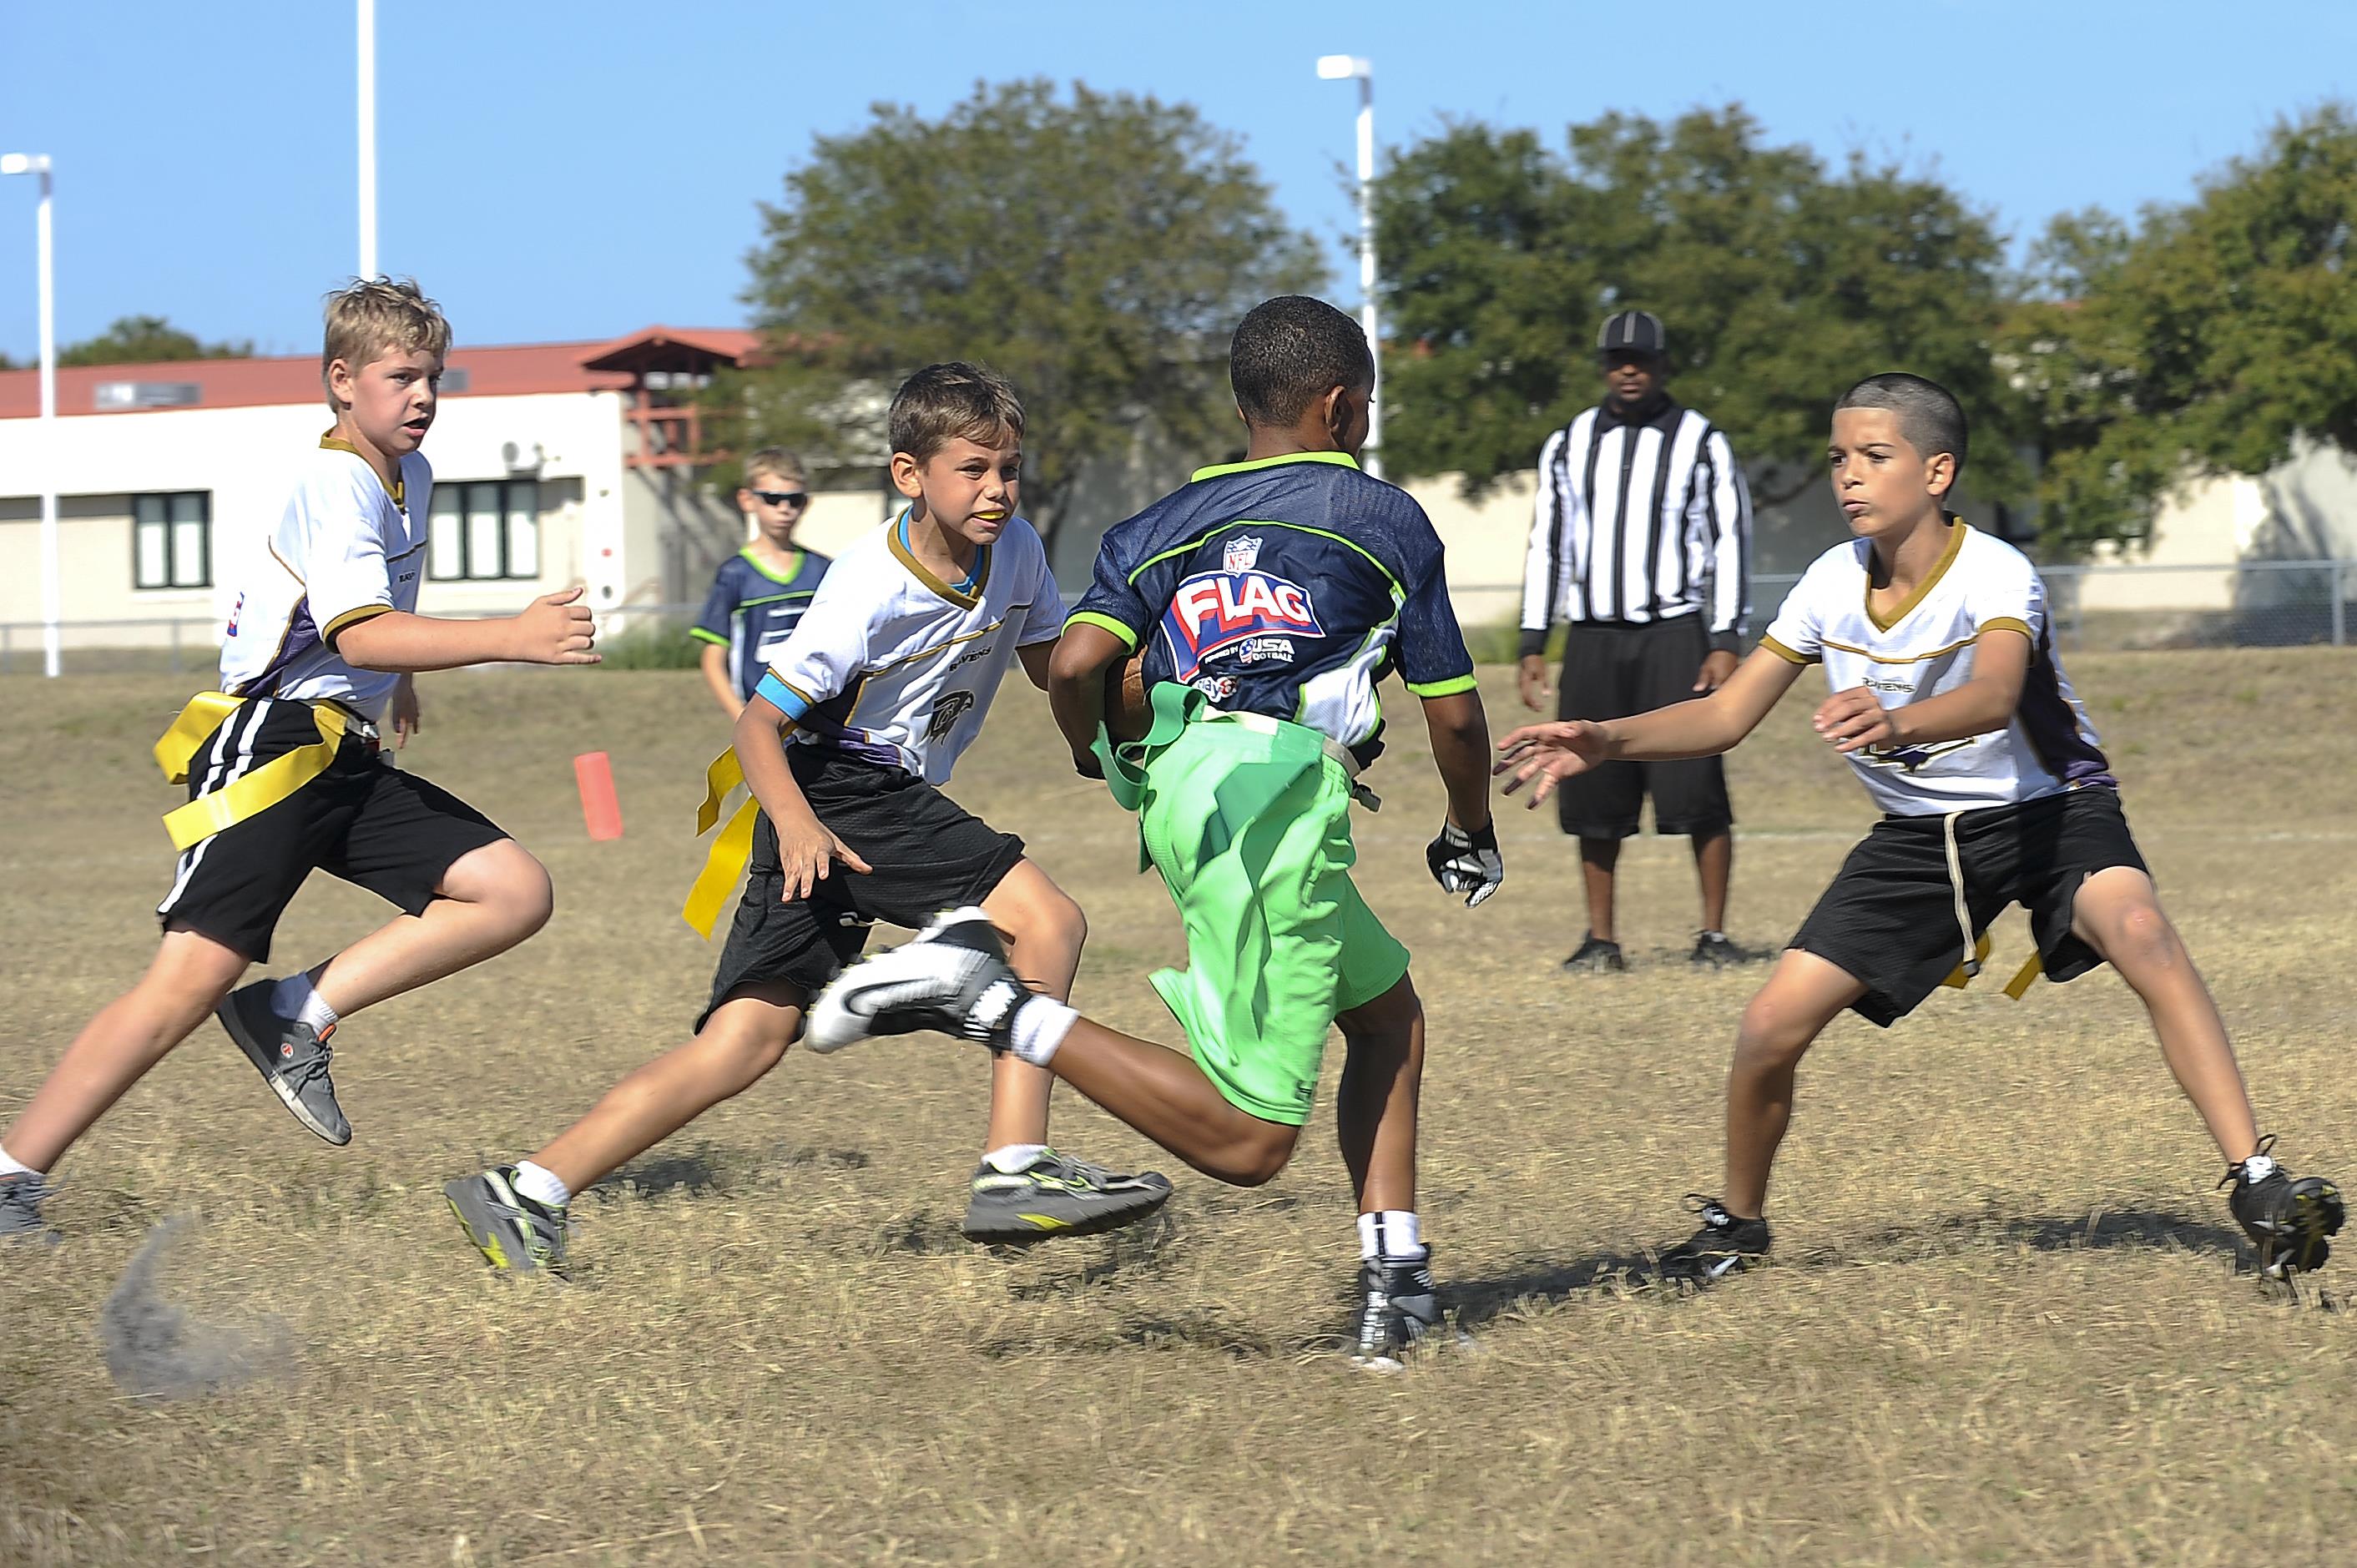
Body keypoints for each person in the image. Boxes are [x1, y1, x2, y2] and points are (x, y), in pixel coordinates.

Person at [1497, 371, 2344, 1282]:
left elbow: (1993, 693)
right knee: (1767, 1027)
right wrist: (1605, 738)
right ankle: (1736, 1228)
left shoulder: (1995, 571)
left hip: (2052, 810)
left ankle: (2257, 1182)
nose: (1848, 477)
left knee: (2140, 929)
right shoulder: (1828, 582)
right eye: (1836, 459)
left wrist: (1898, 721)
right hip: (1919, 837)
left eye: (1873, 456)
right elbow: (1727, 714)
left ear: (1936, 471)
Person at [800, 297, 1503, 1369]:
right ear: (1343, 406)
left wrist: (1102, 757)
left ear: (1239, 407)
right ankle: (983, 996)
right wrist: (1470, 828)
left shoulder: (1159, 521)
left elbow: (1079, 667)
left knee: (1388, 1017)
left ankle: (1396, 1283)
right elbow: (1452, 711)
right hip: (1274, 798)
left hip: (1186, 787)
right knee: (1252, 1138)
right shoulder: (1380, 514)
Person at [443, 362, 1169, 1276]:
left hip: (845, 804)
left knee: (746, 1039)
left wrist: (1154, 684)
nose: (995, 489)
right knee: (1051, 920)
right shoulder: (867, 583)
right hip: (839, 789)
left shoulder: (1017, 549)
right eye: (973, 469)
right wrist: (794, 824)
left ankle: (529, 1189)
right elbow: (759, 722)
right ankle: (1015, 1166)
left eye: (1009, 468)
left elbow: (1053, 669)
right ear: (910, 475)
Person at [0, 278, 600, 1240]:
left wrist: (394, 683)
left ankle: (293, 1012)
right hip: (269, 748)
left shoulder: (415, 474)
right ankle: (9, 1177)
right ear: (340, 381)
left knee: (510, 890)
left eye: (434, 377)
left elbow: (363, 628)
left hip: (343, 753)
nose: (423, 395)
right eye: (401, 376)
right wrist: (512, 635)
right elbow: (360, 632)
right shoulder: (335, 479)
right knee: (186, 983)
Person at [1517, 310, 1754, 971]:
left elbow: (1729, 539)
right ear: (1603, 365)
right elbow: (1549, 543)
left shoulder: (1702, 441)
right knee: (1589, 786)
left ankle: (1712, 934)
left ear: (1663, 365)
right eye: (1618, 358)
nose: (1630, 369)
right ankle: (1601, 939)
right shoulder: (1570, 443)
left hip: (1675, 632)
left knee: (1696, 783)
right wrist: (1535, 637)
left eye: (1642, 359)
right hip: (1592, 635)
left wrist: (1725, 635)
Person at [691, 446, 831, 720]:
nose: (784, 509)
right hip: (760, 718)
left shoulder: (824, 570)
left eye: (795, 500)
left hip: (819, 719)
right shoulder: (735, 574)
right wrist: (744, 719)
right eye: (772, 499)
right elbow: (713, 659)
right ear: (747, 500)